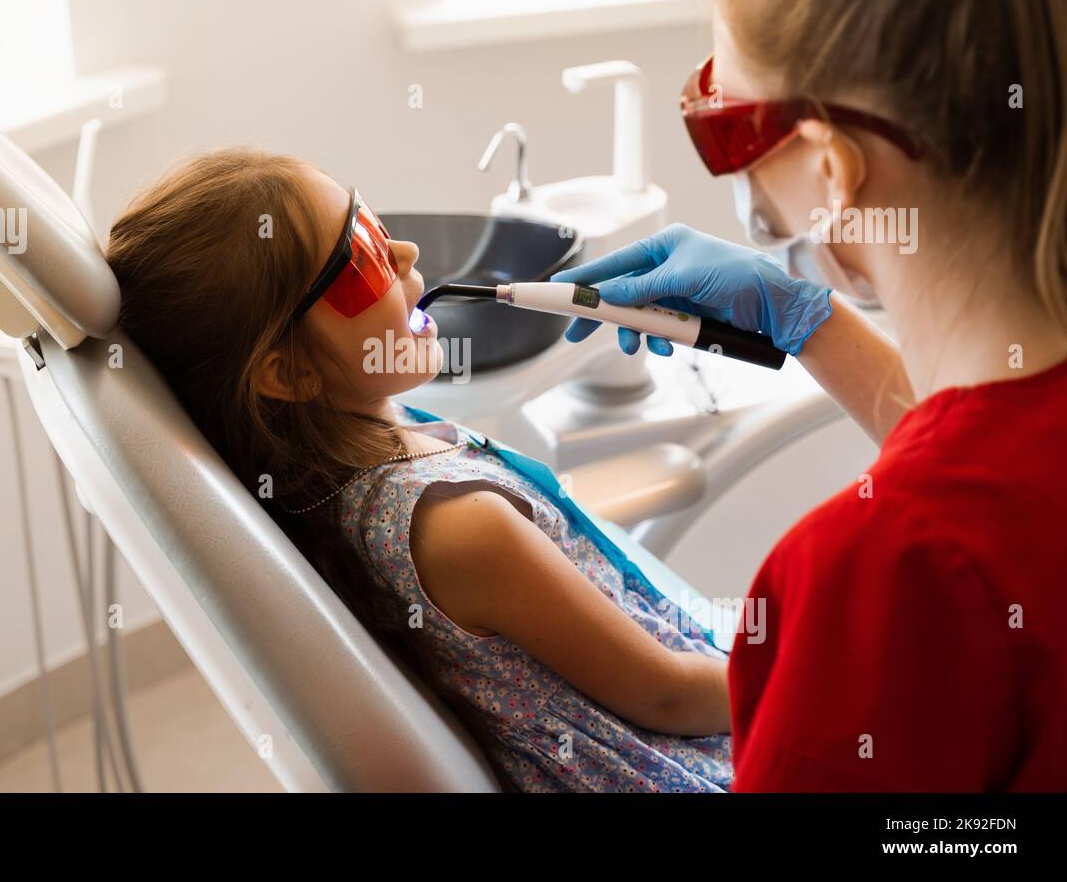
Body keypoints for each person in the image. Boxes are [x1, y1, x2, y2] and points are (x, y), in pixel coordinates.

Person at [556, 0, 1067, 791]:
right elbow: (1012, 475)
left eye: (724, 126)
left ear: (835, 171)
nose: (729, 171)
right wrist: (809, 321)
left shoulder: (876, 576)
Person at [105, 147, 731, 791]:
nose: (403, 251)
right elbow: (666, 698)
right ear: (289, 372)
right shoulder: (461, 526)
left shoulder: (347, 461)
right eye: (363, 260)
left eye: (373, 222)